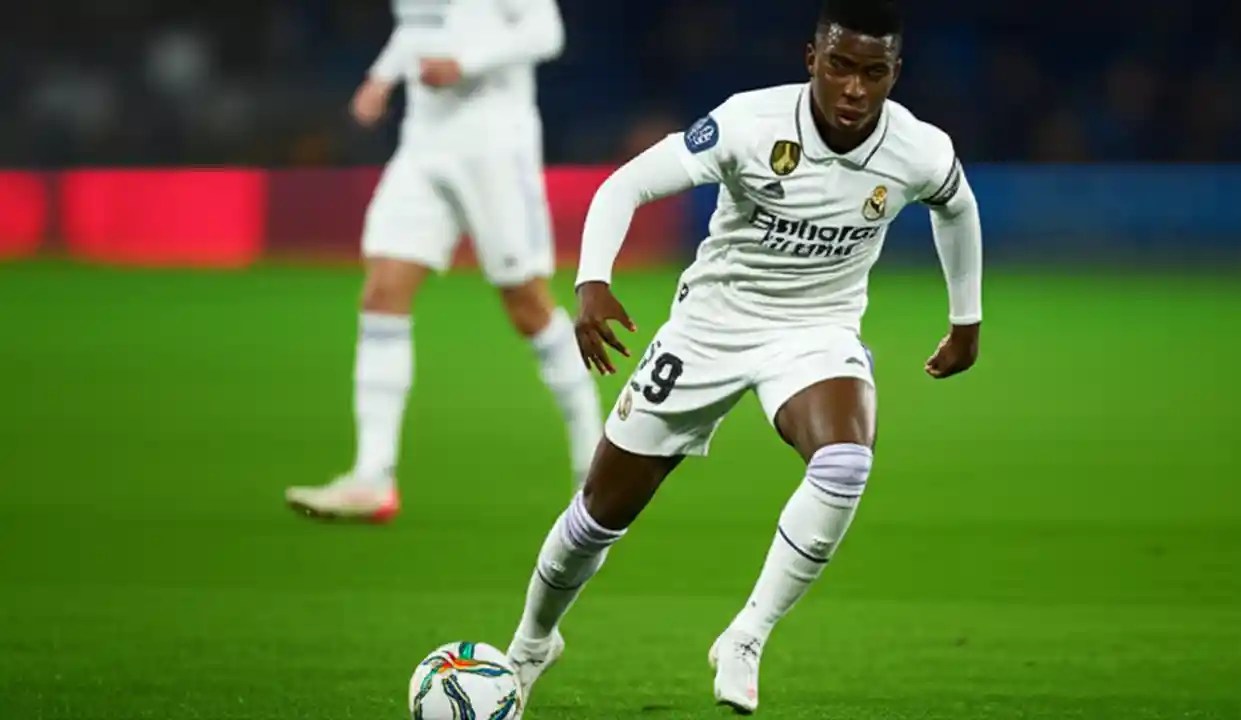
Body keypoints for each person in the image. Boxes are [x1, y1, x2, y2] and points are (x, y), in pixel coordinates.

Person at [502, 0, 984, 713]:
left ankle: (747, 635)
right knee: (599, 515)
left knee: (846, 461)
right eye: (842, 67)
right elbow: (623, 185)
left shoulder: (918, 149)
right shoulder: (748, 124)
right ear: (812, 59)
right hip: (710, 329)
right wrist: (592, 283)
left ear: (894, 74)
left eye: (874, 73)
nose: (855, 89)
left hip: (816, 331)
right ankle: (531, 644)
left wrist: (965, 320)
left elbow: (958, 207)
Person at [285, 0, 602, 522]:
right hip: (424, 146)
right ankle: (372, 477)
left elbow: (546, 32)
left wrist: (466, 62)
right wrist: (381, 78)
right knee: (382, 291)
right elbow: (416, 30)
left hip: (495, 148)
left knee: (526, 304)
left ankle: (594, 455)